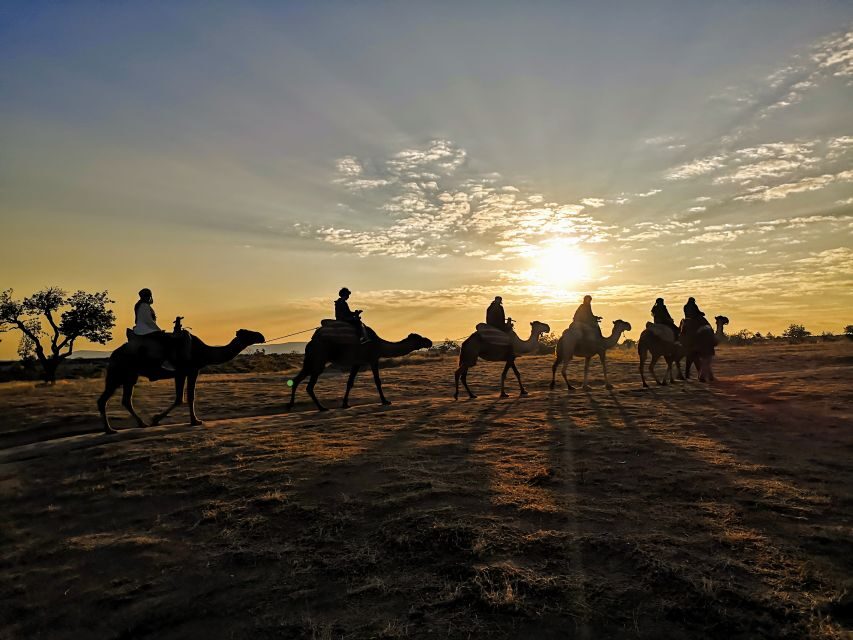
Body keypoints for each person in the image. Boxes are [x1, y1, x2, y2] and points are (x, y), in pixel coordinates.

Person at [131, 288, 179, 370]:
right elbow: (149, 321)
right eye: (147, 296)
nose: (148, 297)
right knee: (166, 340)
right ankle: (165, 361)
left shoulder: (141, 305)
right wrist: (159, 330)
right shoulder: (144, 305)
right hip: (145, 329)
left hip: (144, 328)